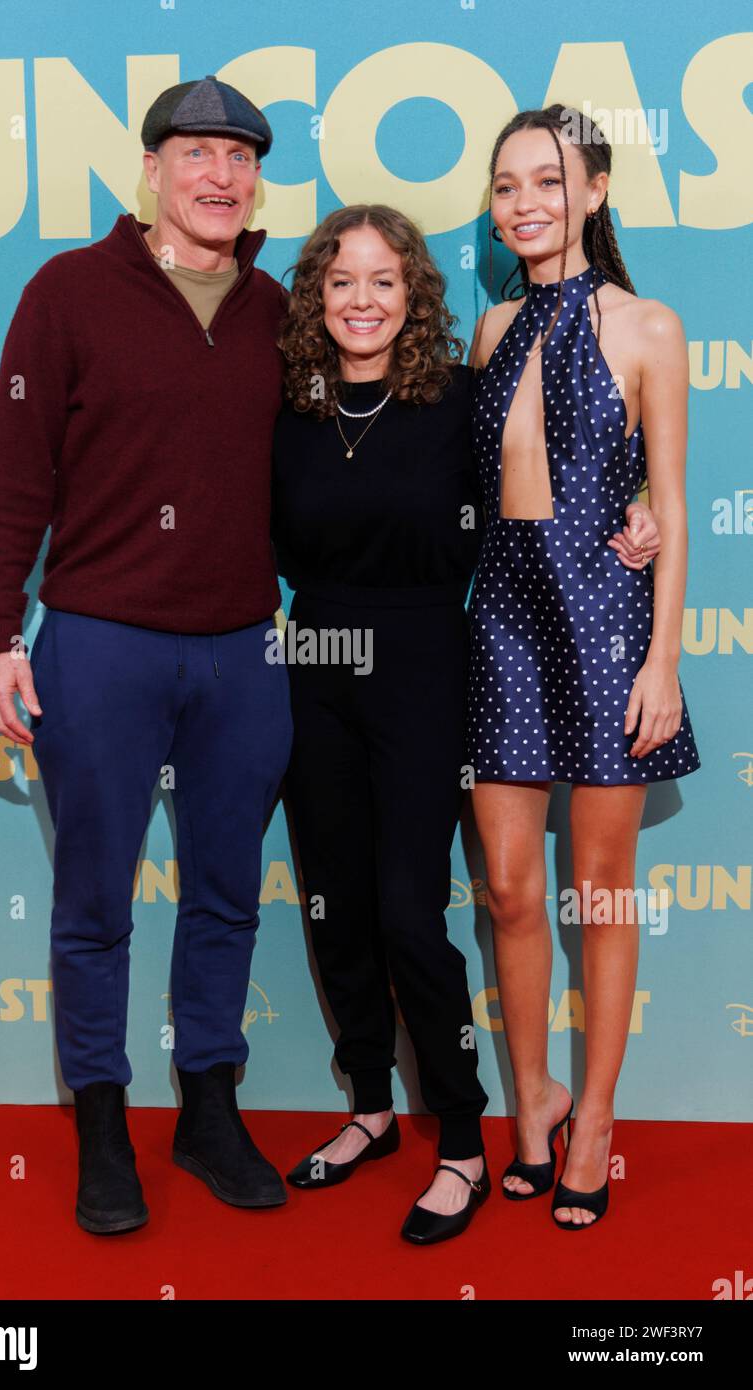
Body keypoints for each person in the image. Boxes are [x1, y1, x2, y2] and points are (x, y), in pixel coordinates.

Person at [271, 204, 661, 1244]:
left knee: (410, 912)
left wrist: (641, 502)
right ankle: (368, 1106)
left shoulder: (457, 397)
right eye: (342, 281)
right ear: (317, 296)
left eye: (385, 281)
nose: (362, 300)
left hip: (427, 667)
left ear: (415, 296)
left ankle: (457, 1139)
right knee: (335, 908)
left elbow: (554, 458)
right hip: (312, 663)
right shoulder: (289, 402)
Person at [0, 76, 293, 1232]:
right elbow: (14, 480)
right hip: (99, 643)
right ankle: (101, 1124)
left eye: (241, 158)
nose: (221, 176)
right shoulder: (66, 293)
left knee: (225, 894)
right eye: (197, 153)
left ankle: (208, 1107)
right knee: (94, 902)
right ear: (150, 169)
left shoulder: (276, 307)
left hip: (244, 651)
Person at [464, 105, 700, 1229]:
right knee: (510, 891)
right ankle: (534, 1101)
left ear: (595, 192)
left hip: (608, 629)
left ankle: (597, 1117)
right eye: (506, 186)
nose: (524, 203)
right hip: (503, 623)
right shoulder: (488, 327)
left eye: (548, 182)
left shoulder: (649, 326)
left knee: (597, 895)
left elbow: (673, 499)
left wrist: (663, 659)